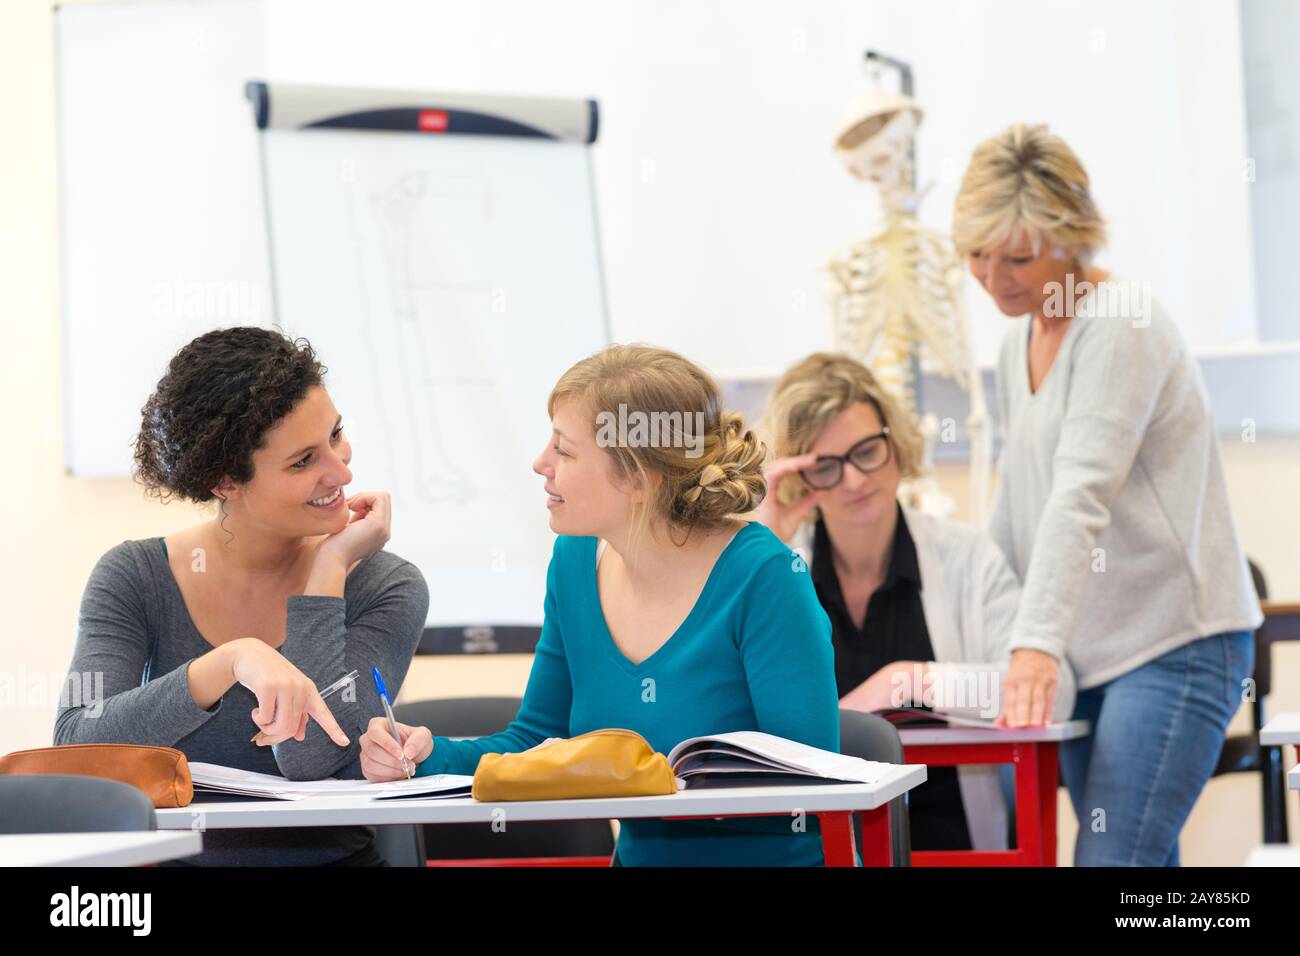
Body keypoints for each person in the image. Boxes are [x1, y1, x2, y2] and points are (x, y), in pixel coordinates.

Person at [359, 344, 840, 866]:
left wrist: (617, 771)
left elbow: (806, 785)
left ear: (638, 477)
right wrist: (426, 756)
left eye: (564, 451)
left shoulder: (764, 576)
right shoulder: (573, 563)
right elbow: (536, 739)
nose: (540, 463)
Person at [952, 123, 1261, 865]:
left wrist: (1031, 648)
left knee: (1114, 864)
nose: (995, 278)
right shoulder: (1014, 339)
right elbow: (1016, 506)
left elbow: (1076, 498)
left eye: (1018, 257)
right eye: (976, 256)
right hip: (1088, 653)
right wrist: (982, 630)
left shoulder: (1121, 326)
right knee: (1135, 866)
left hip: (1173, 644)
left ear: (1073, 237)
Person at [54, 327, 429, 866]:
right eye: (303, 461)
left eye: (336, 435)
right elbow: (74, 750)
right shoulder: (134, 577)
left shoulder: (385, 586)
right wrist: (228, 662)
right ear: (225, 481)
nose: (341, 471)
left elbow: (309, 757)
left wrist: (329, 569)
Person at [754, 351, 1074, 852]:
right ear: (799, 477)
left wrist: (908, 680)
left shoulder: (965, 558)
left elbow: (1054, 691)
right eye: (827, 466)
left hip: (954, 843)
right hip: (821, 850)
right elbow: (734, 730)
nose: (856, 480)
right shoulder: (781, 570)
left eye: (866, 451)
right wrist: (763, 543)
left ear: (896, 444)